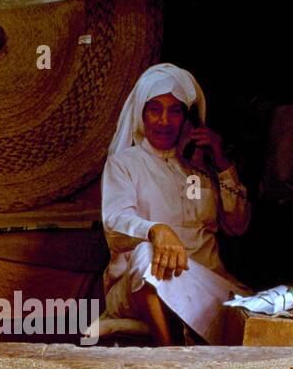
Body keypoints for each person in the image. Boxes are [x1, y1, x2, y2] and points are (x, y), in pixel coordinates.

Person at [101, 63, 251, 345]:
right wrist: (156, 230)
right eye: (155, 109)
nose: (164, 121)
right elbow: (115, 221)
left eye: (175, 111)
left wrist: (220, 164)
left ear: (188, 118)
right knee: (146, 254)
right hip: (141, 286)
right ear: (141, 114)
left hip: (205, 283)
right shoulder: (125, 164)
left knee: (256, 308)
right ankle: (168, 352)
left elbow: (237, 226)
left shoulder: (202, 168)